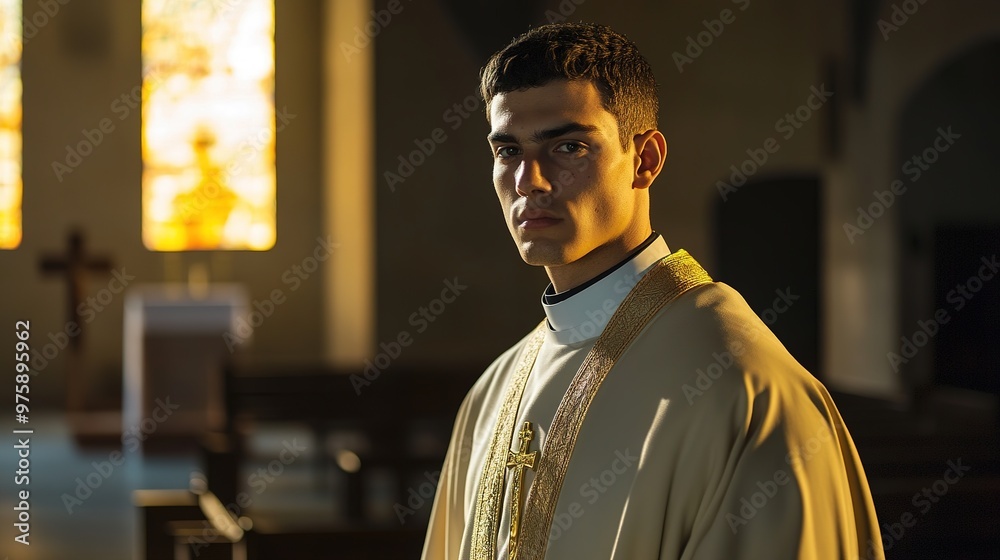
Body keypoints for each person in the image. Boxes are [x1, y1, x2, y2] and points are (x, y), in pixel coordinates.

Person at [421, 22, 883, 560]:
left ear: (645, 160)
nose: (531, 181)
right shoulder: (491, 394)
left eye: (568, 146)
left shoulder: (741, 386)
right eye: (508, 151)